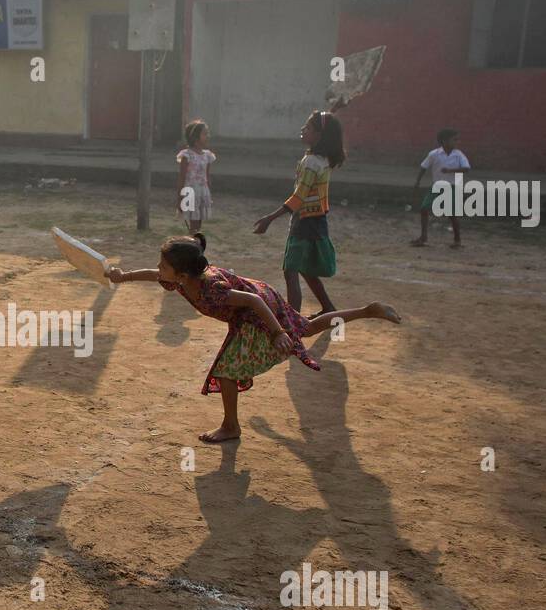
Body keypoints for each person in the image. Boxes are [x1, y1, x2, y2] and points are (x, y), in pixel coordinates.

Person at [108, 233, 400, 443]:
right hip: (257, 298)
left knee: (226, 369)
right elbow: (151, 274)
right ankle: (366, 310)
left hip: (257, 307)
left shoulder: (212, 288)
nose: (159, 270)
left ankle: (230, 426)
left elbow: (252, 302)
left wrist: (277, 333)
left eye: (163, 266)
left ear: (181, 275)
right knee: (307, 329)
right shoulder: (183, 280)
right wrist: (124, 277)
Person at [253, 110, 346, 314]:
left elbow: (299, 197)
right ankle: (328, 307)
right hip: (316, 220)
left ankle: (292, 320)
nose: (303, 130)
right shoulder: (322, 159)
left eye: (308, 128)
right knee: (305, 268)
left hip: (304, 222)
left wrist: (270, 218)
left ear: (319, 135)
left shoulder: (312, 162)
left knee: (291, 270)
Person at [412, 128, 471, 248]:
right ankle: (423, 237)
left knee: (452, 214)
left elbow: (466, 168)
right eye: (454, 139)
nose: (457, 142)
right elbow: (423, 167)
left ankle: (457, 240)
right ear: (444, 141)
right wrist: (417, 181)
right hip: (437, 186)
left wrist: (450, 170)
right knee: (424, 208)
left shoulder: (458, 154)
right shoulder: (434, 154)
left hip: (451, 187)